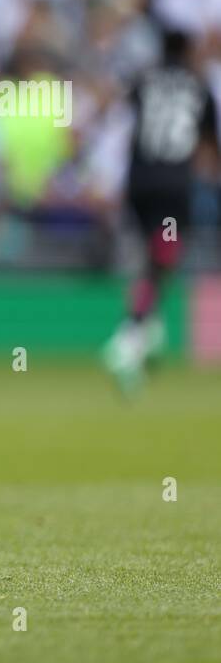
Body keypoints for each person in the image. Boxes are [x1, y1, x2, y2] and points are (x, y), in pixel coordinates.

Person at [103, 29, 218, 392]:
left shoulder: (143, 81)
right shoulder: (198, 88)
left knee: (149, 261)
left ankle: (146, 333)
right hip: (173, 186)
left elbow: (121, 121)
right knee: (162, 260)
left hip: (138, 184)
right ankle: (133, 332)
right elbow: (208, 147)